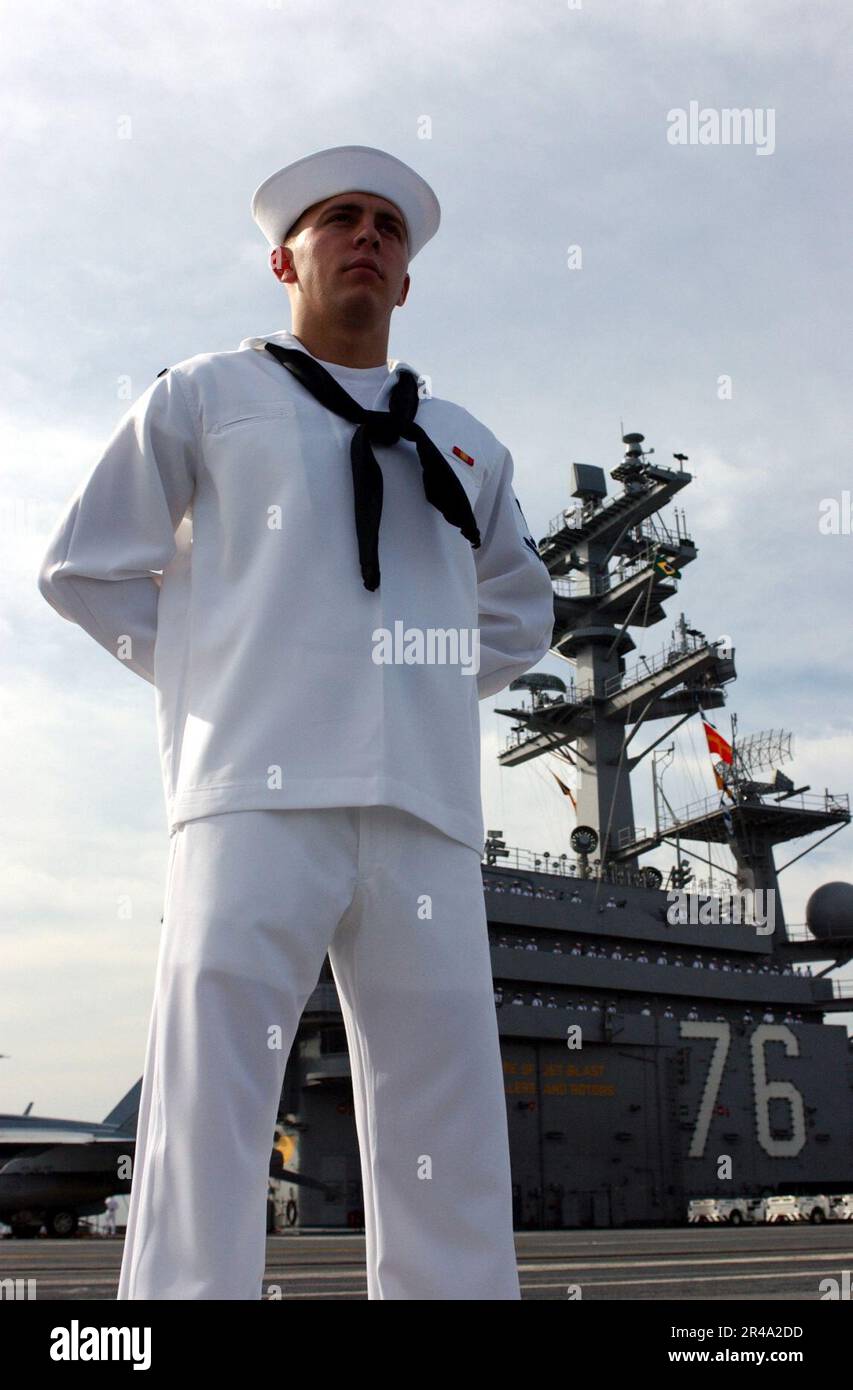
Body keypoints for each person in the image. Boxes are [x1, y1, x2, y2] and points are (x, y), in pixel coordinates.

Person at [37, 144, 555, 1300]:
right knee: (208, 1095)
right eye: (341, 219)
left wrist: (415, 685)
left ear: (407, 279)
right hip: (252, 792)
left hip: (423, 808)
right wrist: (217, 674)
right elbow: (82, 566)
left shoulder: (467, 443)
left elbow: (521, 612)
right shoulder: (206, 395)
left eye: (388, 228)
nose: (368, 236)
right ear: (285, 260)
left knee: (448, 1110)